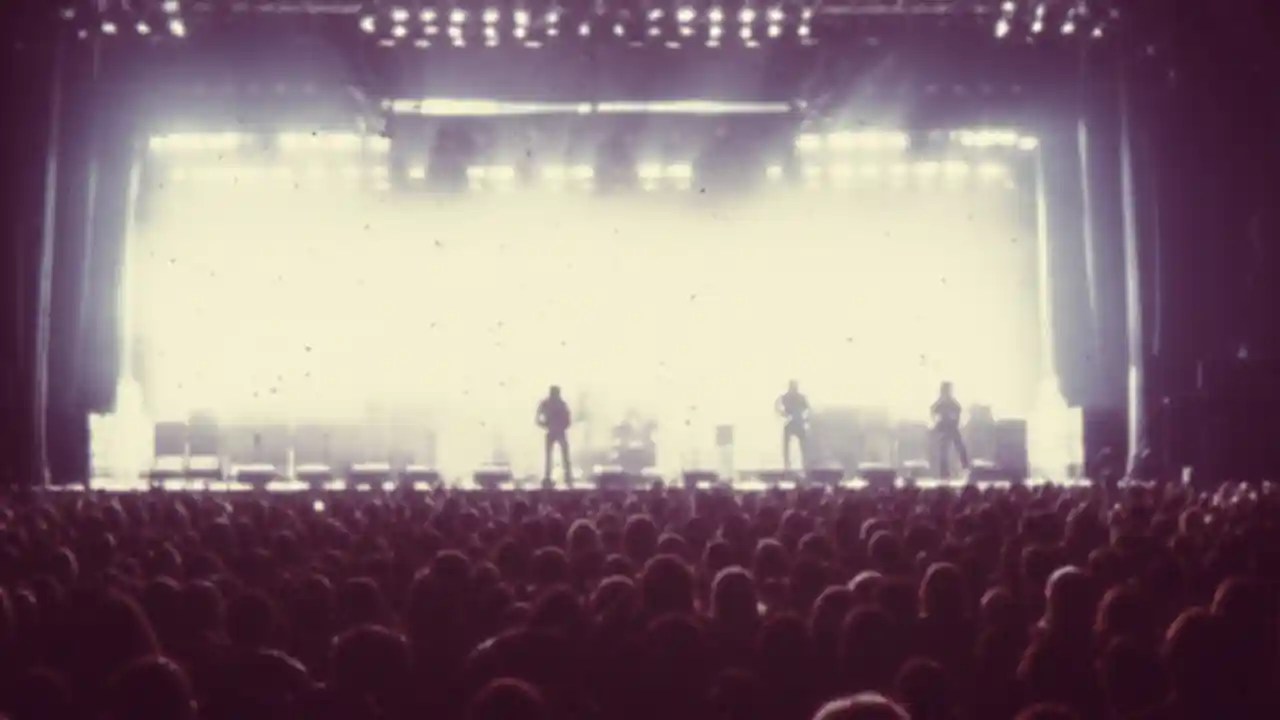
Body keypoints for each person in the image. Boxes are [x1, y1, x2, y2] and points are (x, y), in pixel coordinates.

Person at [930, 382, 969, 478]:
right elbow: (933, 410)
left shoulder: (949, 402)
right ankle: (946, 471)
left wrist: (955, 421)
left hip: (950, 426)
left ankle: (964, 465)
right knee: (945, 450)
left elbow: (958, 410)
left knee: (958, 446)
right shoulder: (943, 402)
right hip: (946, 427)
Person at [536, 385, 573, 485]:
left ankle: (563, 476)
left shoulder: (552, 403)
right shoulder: (558, 403)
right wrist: (547, 425)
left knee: (554, 455)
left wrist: (546, 425)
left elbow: (568, 419)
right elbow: (538, 418)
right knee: (556, 455)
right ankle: (565, 476)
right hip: (555, 431)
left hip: (555, 431)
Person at [776, 380, 810, 473]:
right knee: (788, 442)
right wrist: (783, 414)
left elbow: (808, 409)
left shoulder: (801, 397)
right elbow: (777, 406)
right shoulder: (785, 397)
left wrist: (806, 418)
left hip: (798, 422)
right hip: (792, 422)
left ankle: (804, 462)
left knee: (803, 444)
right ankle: (787, 463)